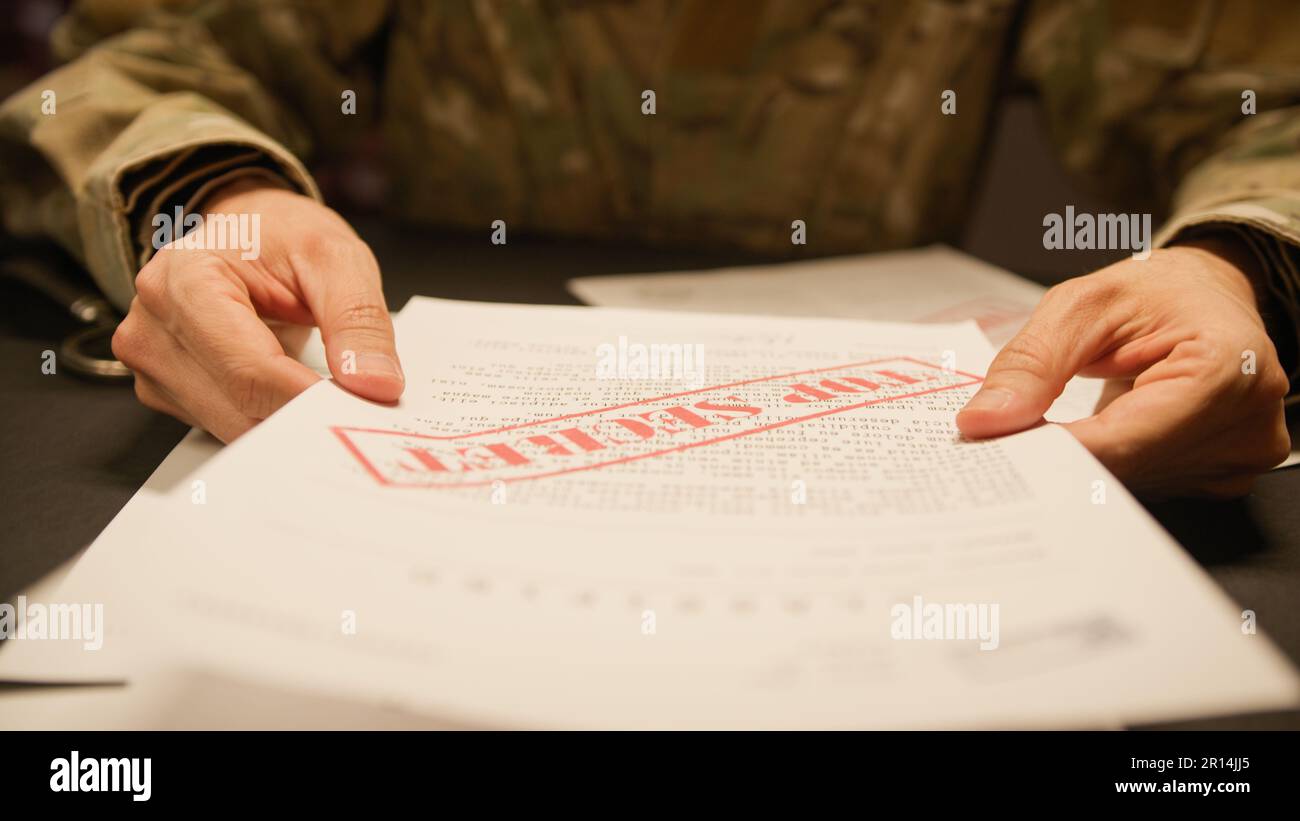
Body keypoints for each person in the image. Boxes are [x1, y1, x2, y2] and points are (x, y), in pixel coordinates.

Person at [1, 0, 1297, 497]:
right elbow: (142, 55)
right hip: (432, 358)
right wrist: (213, 191)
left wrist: (1242, 264)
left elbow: (1255, 97)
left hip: (893, 409)